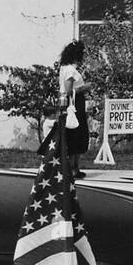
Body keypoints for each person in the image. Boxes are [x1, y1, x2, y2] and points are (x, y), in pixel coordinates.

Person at [57, 39, 90, 178]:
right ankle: (72, 167)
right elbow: (69, 89)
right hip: (75, 104)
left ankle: (74, 166)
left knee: (77, 134)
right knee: (76, 134)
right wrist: (85, 87)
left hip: (74, 104)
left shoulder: (65, 68)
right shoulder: (70, 70)